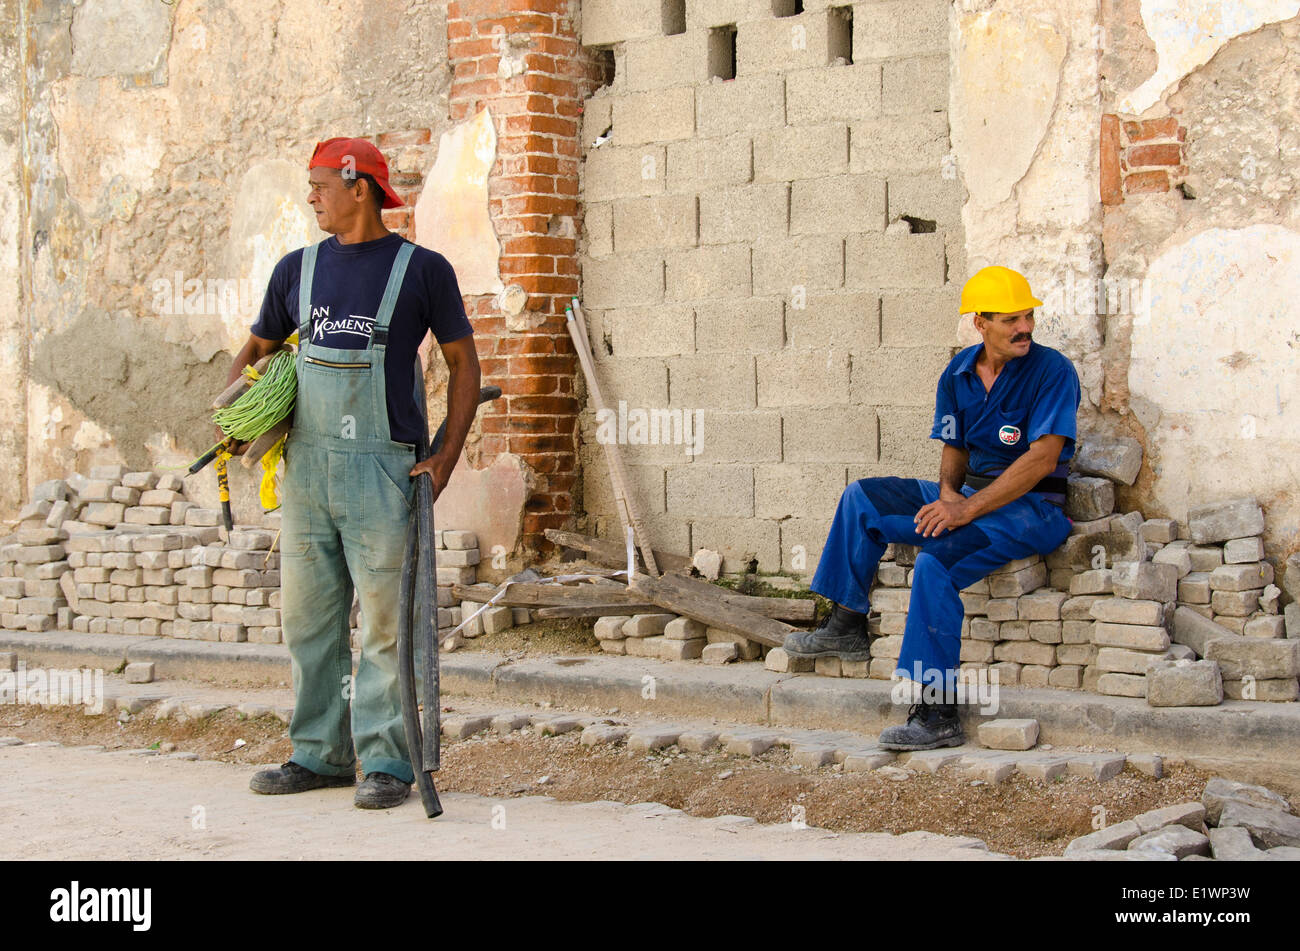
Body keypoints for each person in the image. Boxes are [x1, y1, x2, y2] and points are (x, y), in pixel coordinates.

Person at [229, 137, 481, 808]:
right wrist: (235, 416)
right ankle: (317, 753)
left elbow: (464, 364)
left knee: (385, 623)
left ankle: (389, 762)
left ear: (359, 186)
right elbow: (255, 349)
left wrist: (445, 458)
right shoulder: (297, 270)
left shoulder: (421, 270)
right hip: (307, 472)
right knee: (308, 620)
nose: (312, 195)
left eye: (320, 184)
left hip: (383, 470)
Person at [783, 266, 1079, 751]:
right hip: (975, 498)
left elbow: (1042, 457)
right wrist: (948, 497)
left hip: (1033, 508)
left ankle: (937, 712)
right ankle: (846, 625)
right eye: (1011, 320)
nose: (1025, 328)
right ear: (980, 324)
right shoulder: (959, 372)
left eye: (1028, 316)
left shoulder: (1052, 371)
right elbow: (954, 447)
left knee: (935, 563)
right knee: (864, 499)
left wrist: (966, 512)